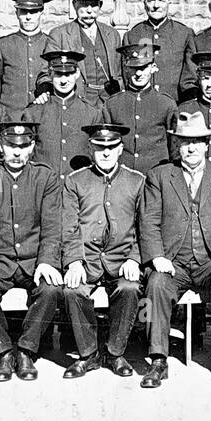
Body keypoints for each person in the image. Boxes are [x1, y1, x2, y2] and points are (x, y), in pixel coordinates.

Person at [141, 111, 211, 389]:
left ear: (206, 145)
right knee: (156, 285)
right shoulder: (161, 175)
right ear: (177, 144)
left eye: (197, 142)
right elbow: (149, 220)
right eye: (185, 142)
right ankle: (157, 359)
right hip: (173, 261)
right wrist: (156, 257)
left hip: (209, 261)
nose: (191, 148)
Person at [0, 121, 64, 383]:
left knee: (51, 289)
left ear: (32, 147)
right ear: (1, 146)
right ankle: (3, 351)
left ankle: (26, 350)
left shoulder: (45, 178)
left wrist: (46, 262)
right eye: (11, 146)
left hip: (34, 261)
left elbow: (52, 227)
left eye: (24, 146)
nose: (17, 153)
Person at [60, 122, 145, 378]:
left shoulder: (136, 181)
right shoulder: (75, 181)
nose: (106, 153)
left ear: (120, 150)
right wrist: (74, 261)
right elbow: (69, 226)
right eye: (99, 148)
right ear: (90, 148)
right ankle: (89, 355)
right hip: (86, 261)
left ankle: (115, 353)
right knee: (73, 291)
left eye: (111, 147)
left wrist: (135, 258)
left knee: (129, 289)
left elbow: (146, 227)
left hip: (122, 262)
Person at [100, 40, 178, 177]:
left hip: (157, 176)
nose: (139, 74)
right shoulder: (112, 104)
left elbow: (174, 147)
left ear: (153, 67)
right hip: (123, 178)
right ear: (125, 68)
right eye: (134, 68)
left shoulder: (166, 104)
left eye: (144, 68)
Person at [41, 0, 122, 106]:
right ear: (75, 5)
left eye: (94, 5)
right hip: (79, 101)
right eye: (84, 5)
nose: (89, 10)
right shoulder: (59, 35)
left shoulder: (112, 35)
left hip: (110, 102)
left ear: (100, 5)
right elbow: (46, 72)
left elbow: (121, 72)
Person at [26, 49, 102, 175]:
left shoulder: (92, 114)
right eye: (58, 74)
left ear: (77, 73)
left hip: (78, 188)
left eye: (68, 74)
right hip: (44, 186)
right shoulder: (34, 112)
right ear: (50, 74)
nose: (63, 81)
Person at [124, 0, 194, 101]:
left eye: (161, 0)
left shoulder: (184, 34)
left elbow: (189, 79)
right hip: (142, 104)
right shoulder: (133, 35)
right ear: (144, 3)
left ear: (169, 2)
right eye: (151, 0)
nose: (156, 5)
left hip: (174, 103)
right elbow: (126, 75)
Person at [0, 0, 53, 112]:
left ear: (41, 12)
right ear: (16, 13)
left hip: (43, 113)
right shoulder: (2, 45)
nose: (28, 17)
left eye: (33, 12)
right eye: (23, 11)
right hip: (11, 115)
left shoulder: (51, 43)